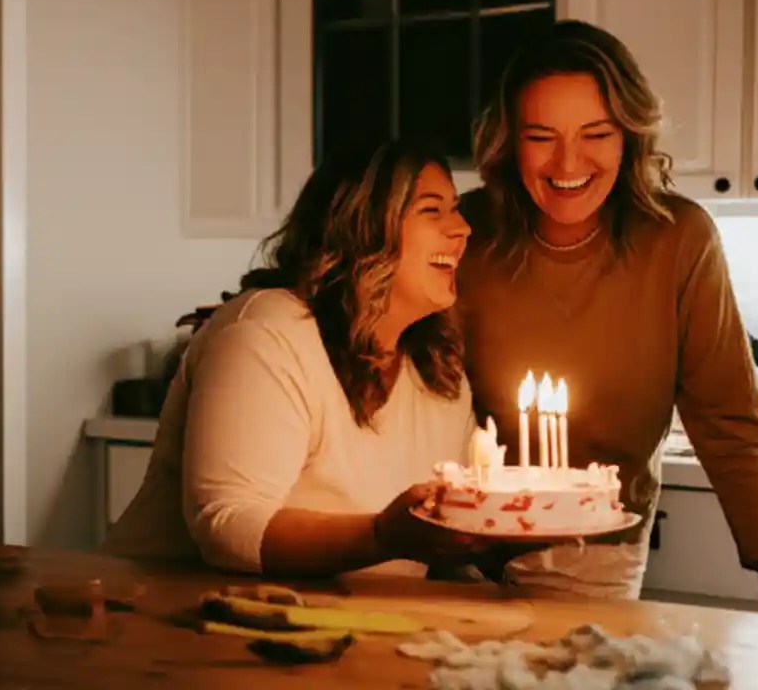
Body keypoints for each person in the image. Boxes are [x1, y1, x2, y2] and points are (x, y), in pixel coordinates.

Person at [454, 19, 758, 617]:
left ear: (629, 135)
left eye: (596, 133)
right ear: (508, 141)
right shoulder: (462, 233)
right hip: (456, 548)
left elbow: (726, 415)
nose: (567, 161)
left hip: (596, 552)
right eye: (540, 136)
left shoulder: (678, 240)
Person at [103, 141, 522, 578]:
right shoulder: (267, 331)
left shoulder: (436, 370)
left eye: (456, 208)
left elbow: (450, 532)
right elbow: (228, 527)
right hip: (173, 622)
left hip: (356, 633)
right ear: (361, 226)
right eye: (432, 211)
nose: (462, 230)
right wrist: (383, 536)